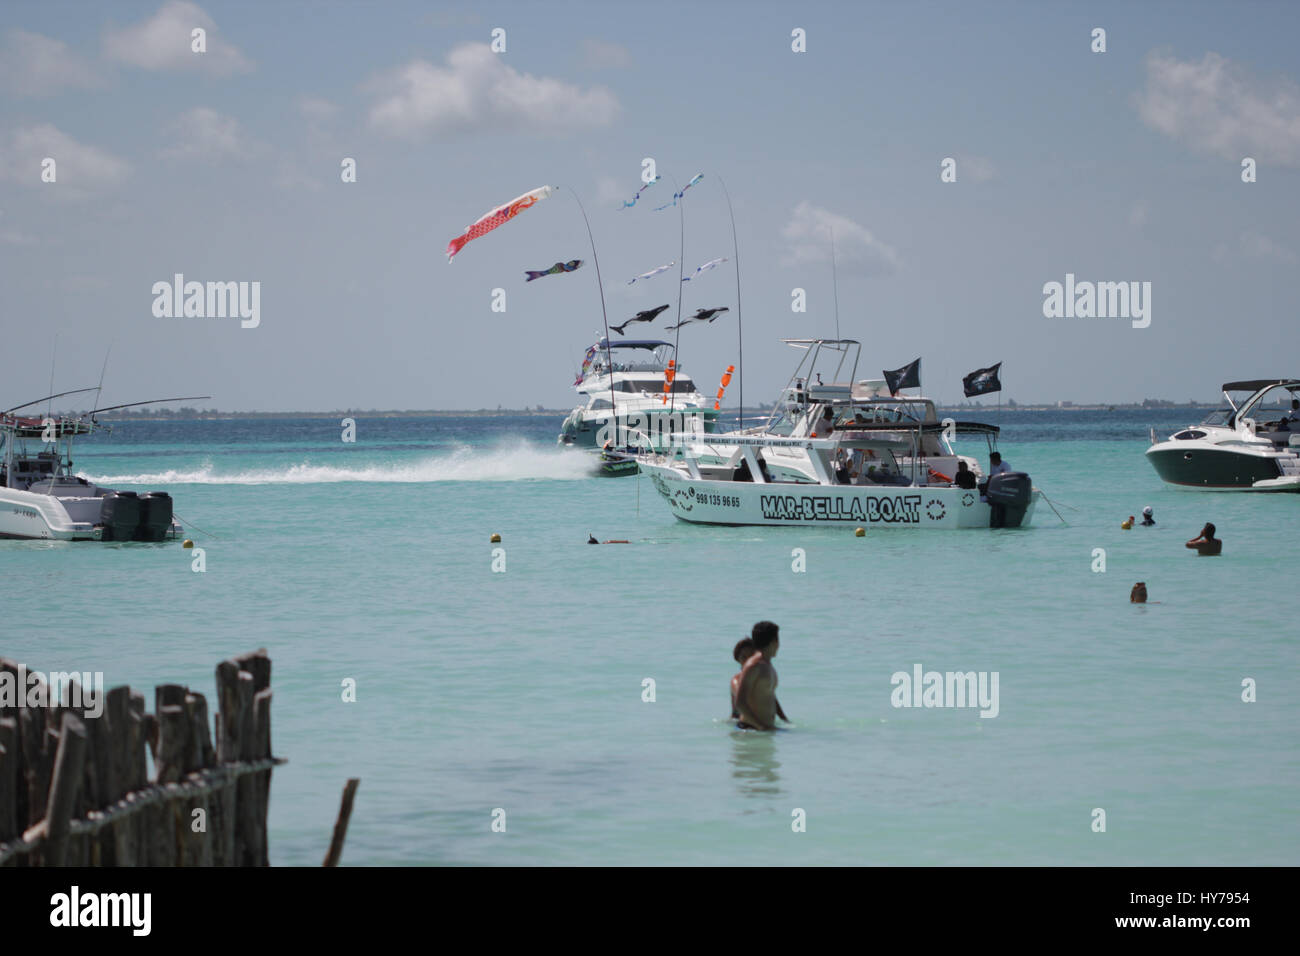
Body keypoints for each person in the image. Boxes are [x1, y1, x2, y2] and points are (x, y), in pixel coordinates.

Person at [734, 621, 782, 731]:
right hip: (750, 729)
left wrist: (784, 719)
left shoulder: (767, 665)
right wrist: (761, 726)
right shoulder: (754, 666)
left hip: (764, 729)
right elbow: (740, 702)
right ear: (775, 642)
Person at [729, 638, 788, 724]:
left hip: (758, 724)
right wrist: (761, 727)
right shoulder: (736, 680)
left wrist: (784, 719)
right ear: (738, 659)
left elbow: (772, 697)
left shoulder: (758, 678)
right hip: (740, 724)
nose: (747, 660)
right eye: (743, 657)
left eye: (751, 656)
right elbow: (742, 700)